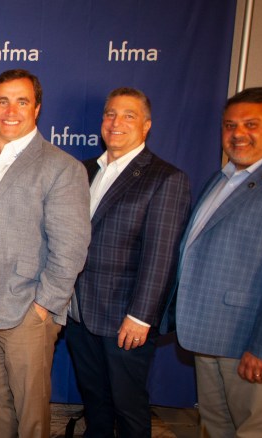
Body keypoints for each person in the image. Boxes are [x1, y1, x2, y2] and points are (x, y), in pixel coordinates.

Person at [168, 87, 262, 436]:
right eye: (230, 125)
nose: (238, 133)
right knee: (217, 430)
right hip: (210, 337)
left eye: (251, 124)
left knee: (259, 432)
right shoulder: (224, 177)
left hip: (253, 346)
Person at [0, 68, 90, 437]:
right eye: (2, 101)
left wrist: (44, 306)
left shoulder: (61, 167)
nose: (10, 110)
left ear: (37, 108)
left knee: (30, 414)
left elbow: (70, 246)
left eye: (21, 101)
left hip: (26, 305)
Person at [64, 87, 190, 437]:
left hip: (124, 319)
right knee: (95, 403)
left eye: (128, 115)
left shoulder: (165, 178)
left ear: (146, 125)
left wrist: (140, 316)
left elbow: (161, 255)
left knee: (129, 407)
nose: (116, 122)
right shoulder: (83, 170)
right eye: (110, 114)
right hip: (78, 313)